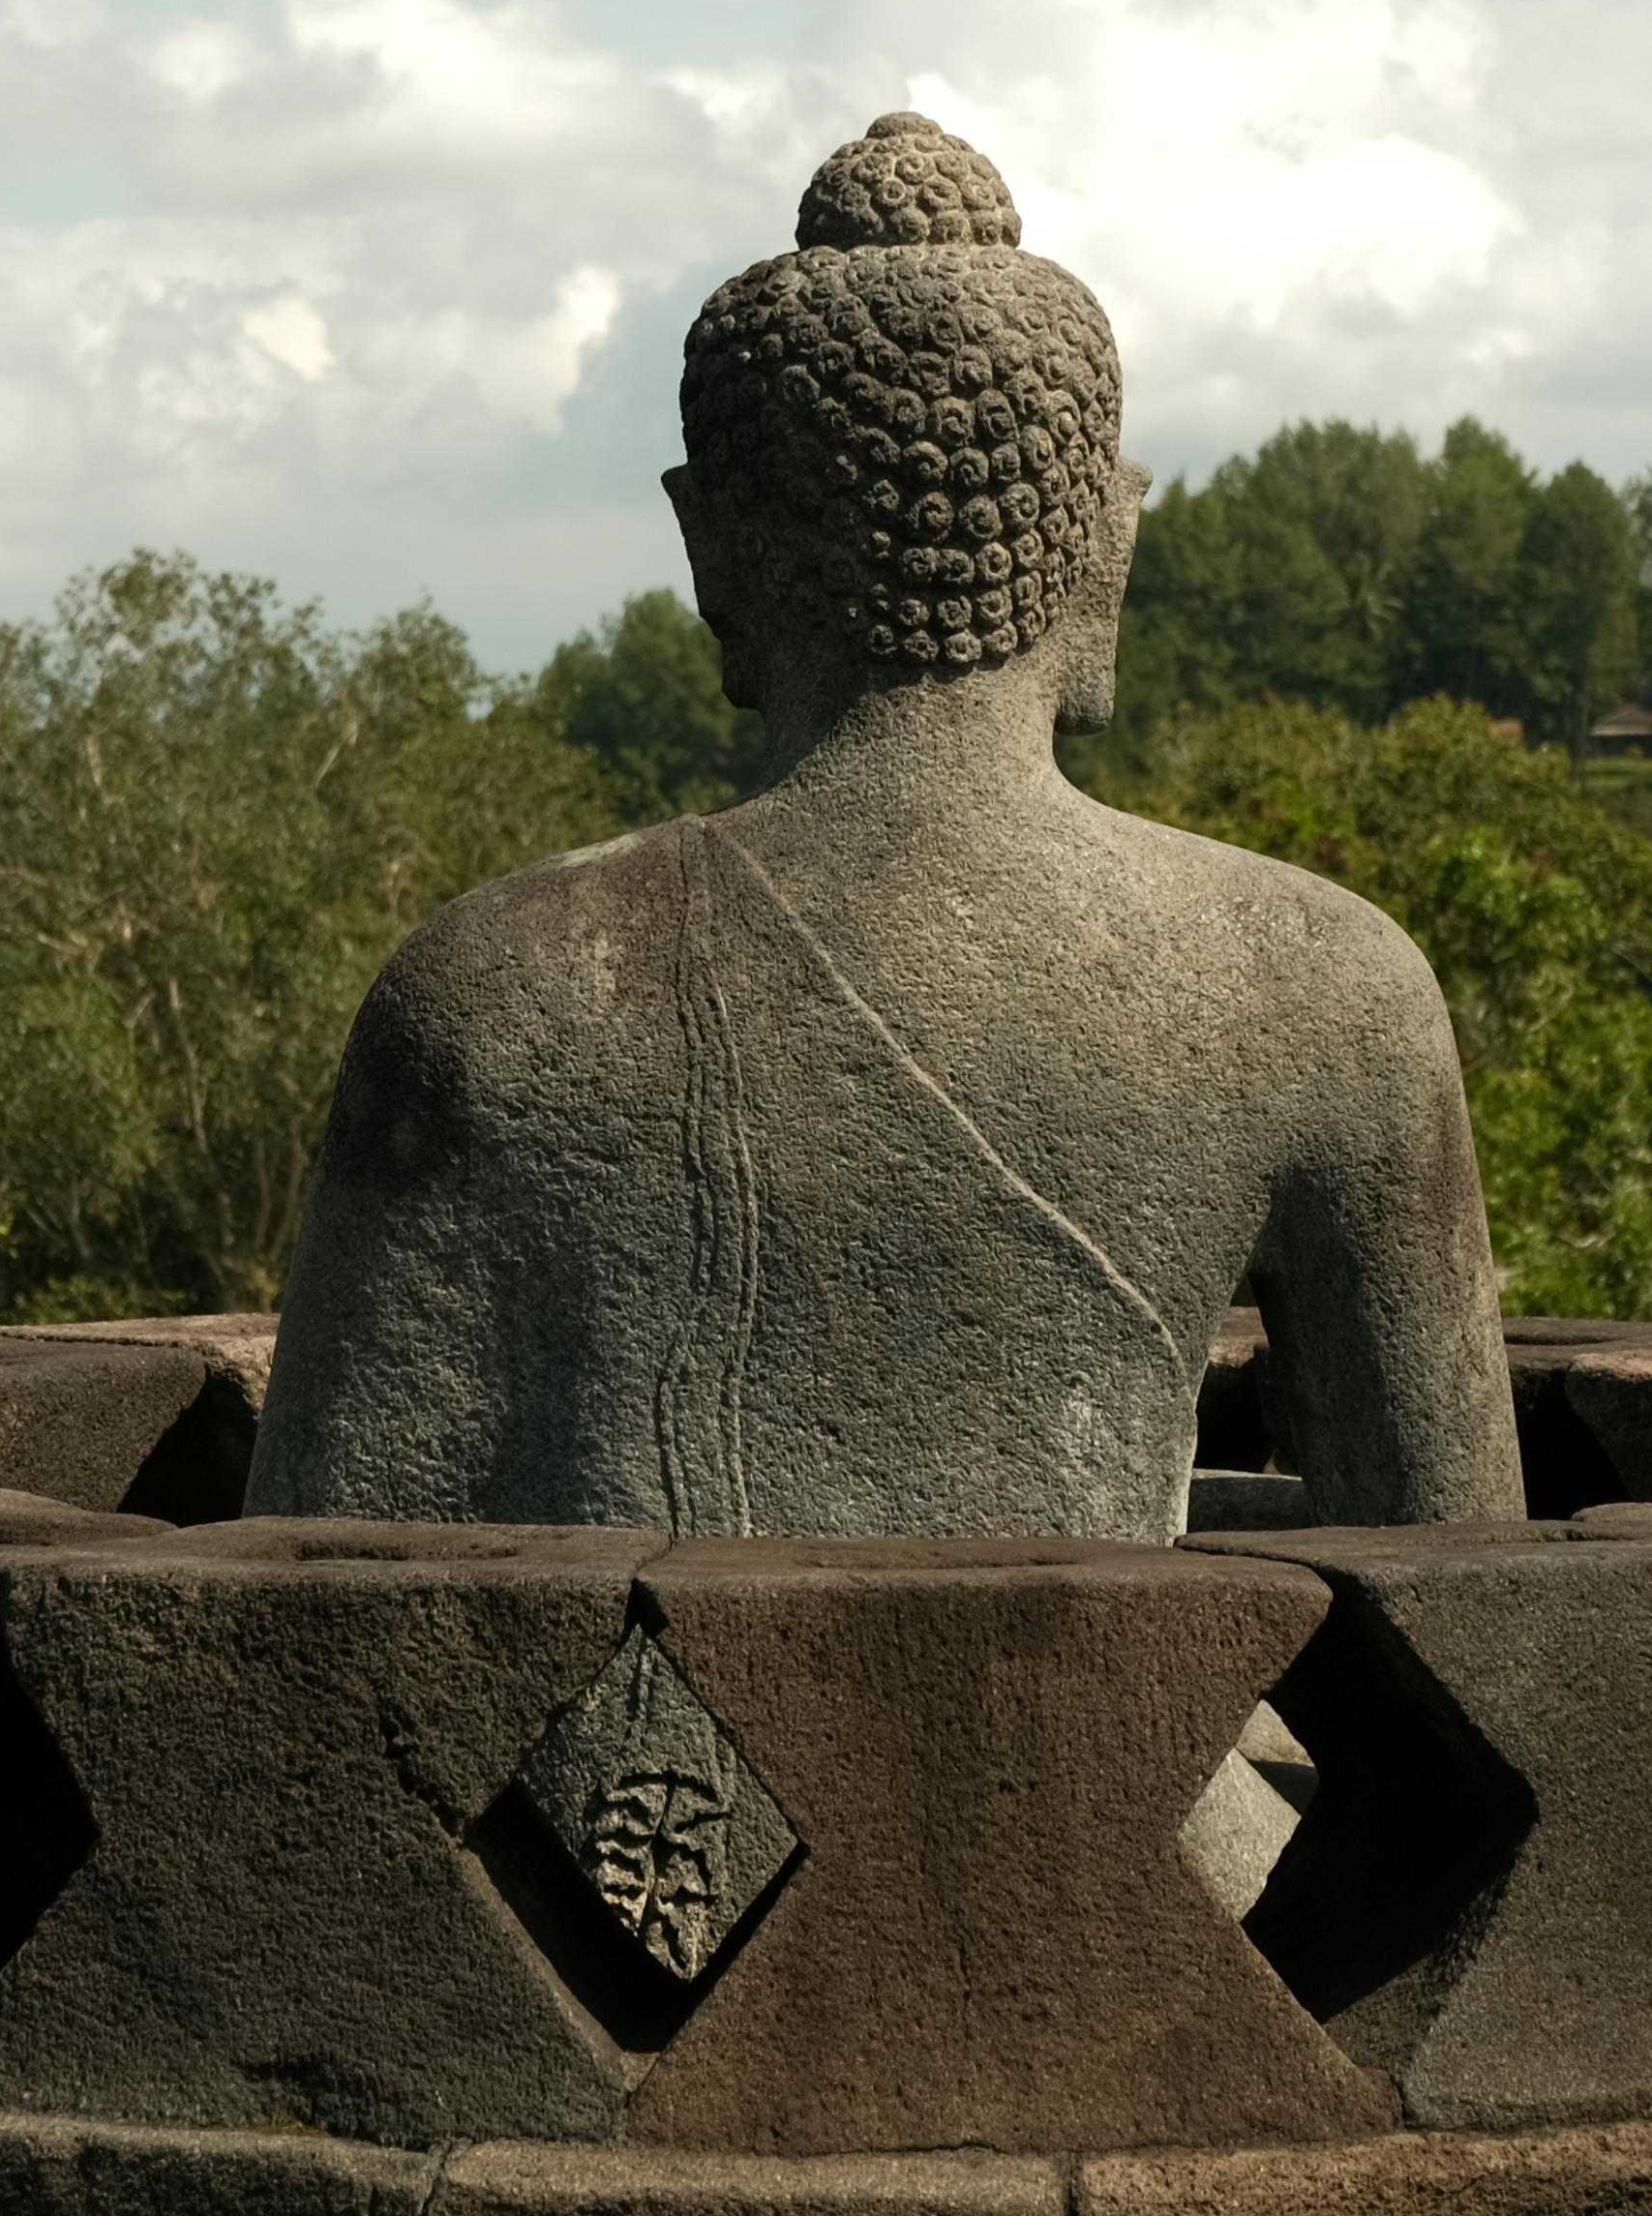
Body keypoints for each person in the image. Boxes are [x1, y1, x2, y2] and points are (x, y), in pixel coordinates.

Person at [250, 112, 1524, 1538]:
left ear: (712, 548)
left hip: (643, 1769)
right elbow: (1463, 1600)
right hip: (1143, 1760)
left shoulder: (495, 993)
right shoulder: (1323, 985)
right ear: (1107, 543)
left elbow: (326, 1588)